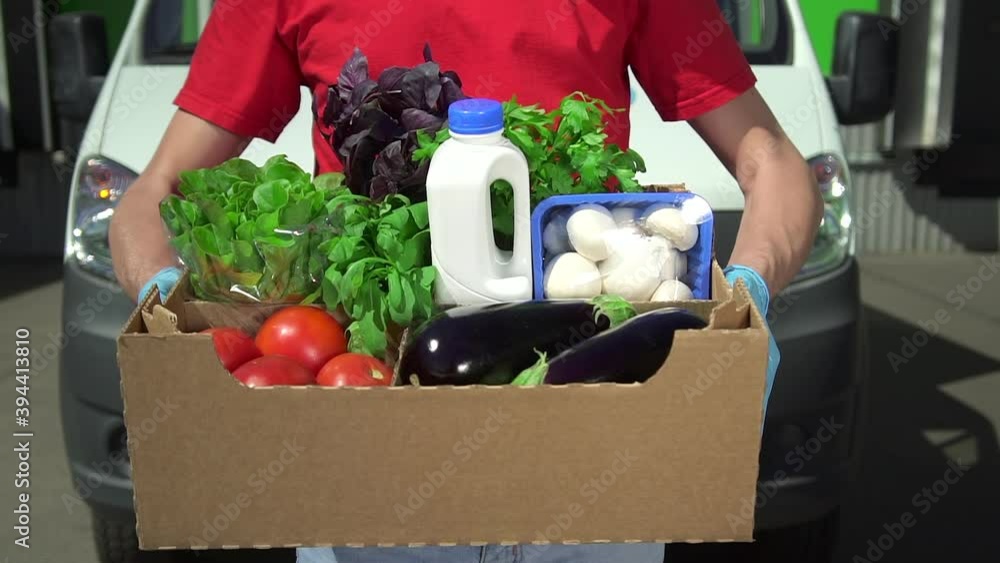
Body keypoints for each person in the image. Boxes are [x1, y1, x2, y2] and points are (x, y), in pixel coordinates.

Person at [109, 1, 822, 561]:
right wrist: (163, 299)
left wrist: (749, 295)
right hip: (367, 476)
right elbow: (154, 193)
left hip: (592, 459)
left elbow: (775, 165)